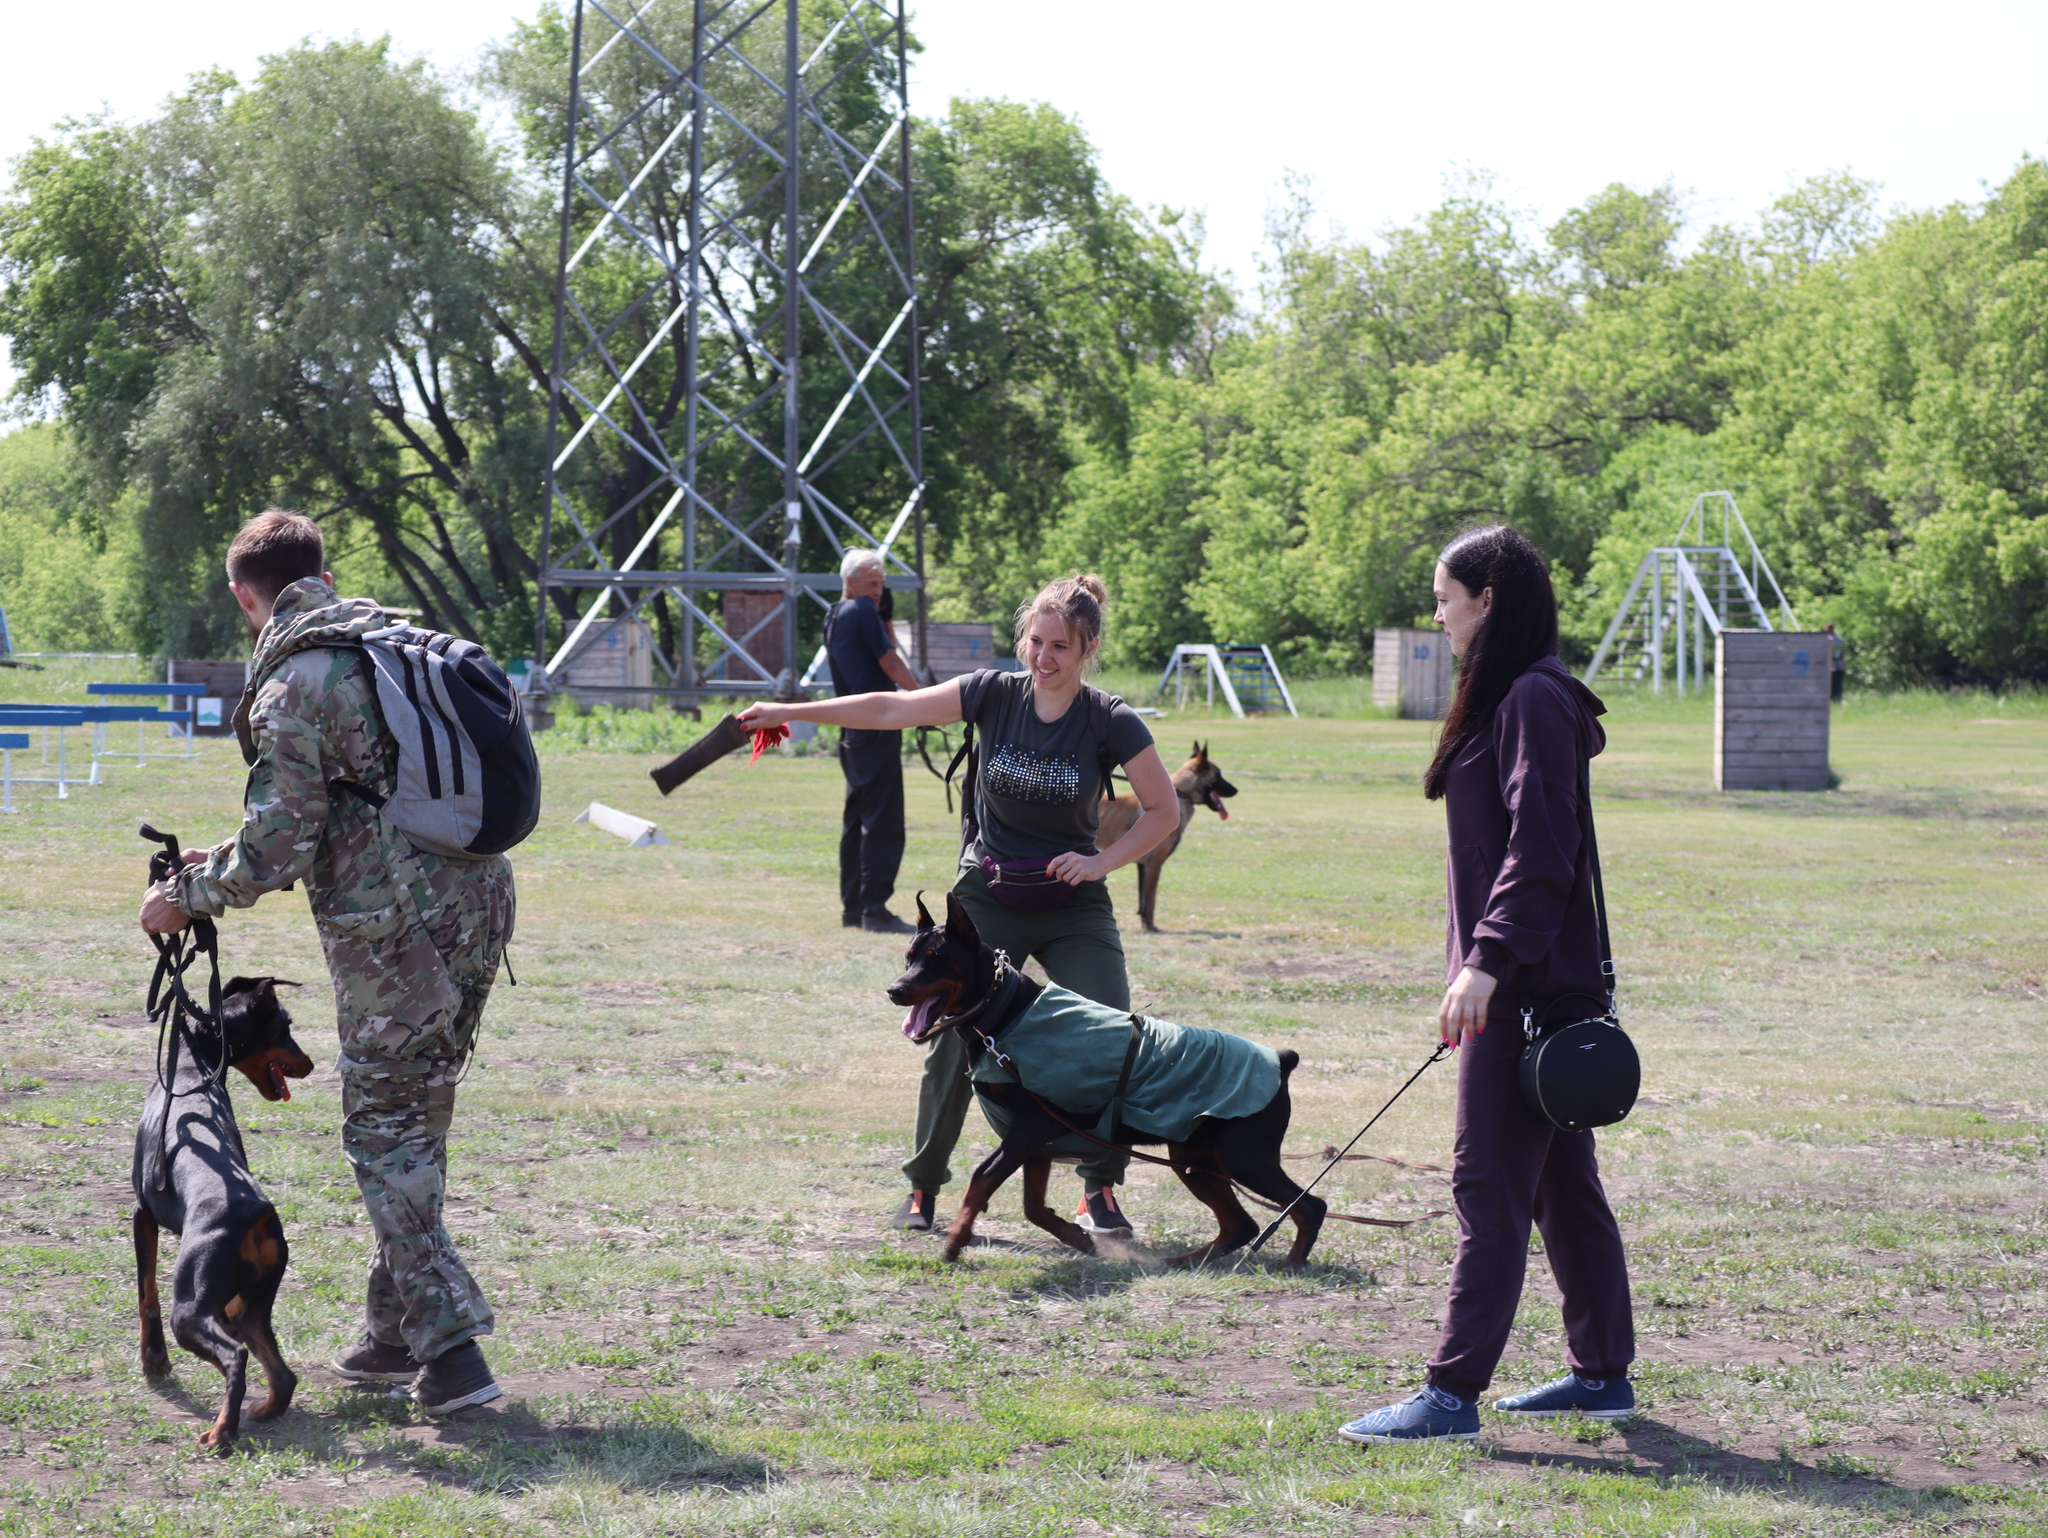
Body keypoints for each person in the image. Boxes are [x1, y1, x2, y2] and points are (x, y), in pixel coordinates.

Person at [138, 510, 511, 1417]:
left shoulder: (294, 681)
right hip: (476, 908)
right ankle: (390, 1332)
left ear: (243, 596)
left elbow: (274, 851)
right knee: (415, 1123)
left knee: (385, 1135)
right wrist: (215, 862)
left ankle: (453, 1355)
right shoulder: (384, 641)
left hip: (398, 937)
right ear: (322, 574)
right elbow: (331, 810)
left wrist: (182, 899)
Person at [740, 574, 1180, 1237]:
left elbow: (1163, 811)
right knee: (952, 1038)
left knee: (1110, 1033)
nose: (1044, 658)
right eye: (1036, 641)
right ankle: (921, 1190)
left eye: (1060, 646)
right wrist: (791, 712)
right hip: (988, 901)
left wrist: (1099, 862)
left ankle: (1099, 1189)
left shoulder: (1109, 719)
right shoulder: (992, 695)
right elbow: (892, 708)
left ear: (1087, 647)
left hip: (1072, 904)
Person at [1340, 525, 1635, 1445]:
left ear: (1489, 600)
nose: (1437, 614)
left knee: (1489, 1185)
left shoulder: (1535, 700)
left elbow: (1540, 851)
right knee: (1560, 1188)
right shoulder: (1515, 695)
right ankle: (1601, 1376)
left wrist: (1486, 961)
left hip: (1525, 990)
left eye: (1445, 597)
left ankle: (1450, 1394)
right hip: (1530, 983)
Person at [826, 549, 920, 933]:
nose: (880, 591)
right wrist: (923, 701)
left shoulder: (834, 615)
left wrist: (886, 618)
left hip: (852, 731)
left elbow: (886, 649)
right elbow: (890, 662)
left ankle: (853, 908)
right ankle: (875, 909)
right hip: (876, 727)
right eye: (873, 583)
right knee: (883, 821)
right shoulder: (861, 609)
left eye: (882, 583)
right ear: (850, 582)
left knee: (857, 819)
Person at [1825, 621, 1846, 703]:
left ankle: (1831, 700)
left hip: (1831, 665)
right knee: (1838, 685)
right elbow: (1843, 653)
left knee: (1830, 685)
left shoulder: (1828, 640)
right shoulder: (1840, 640)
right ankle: (1838, 700)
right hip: (1840, 664)